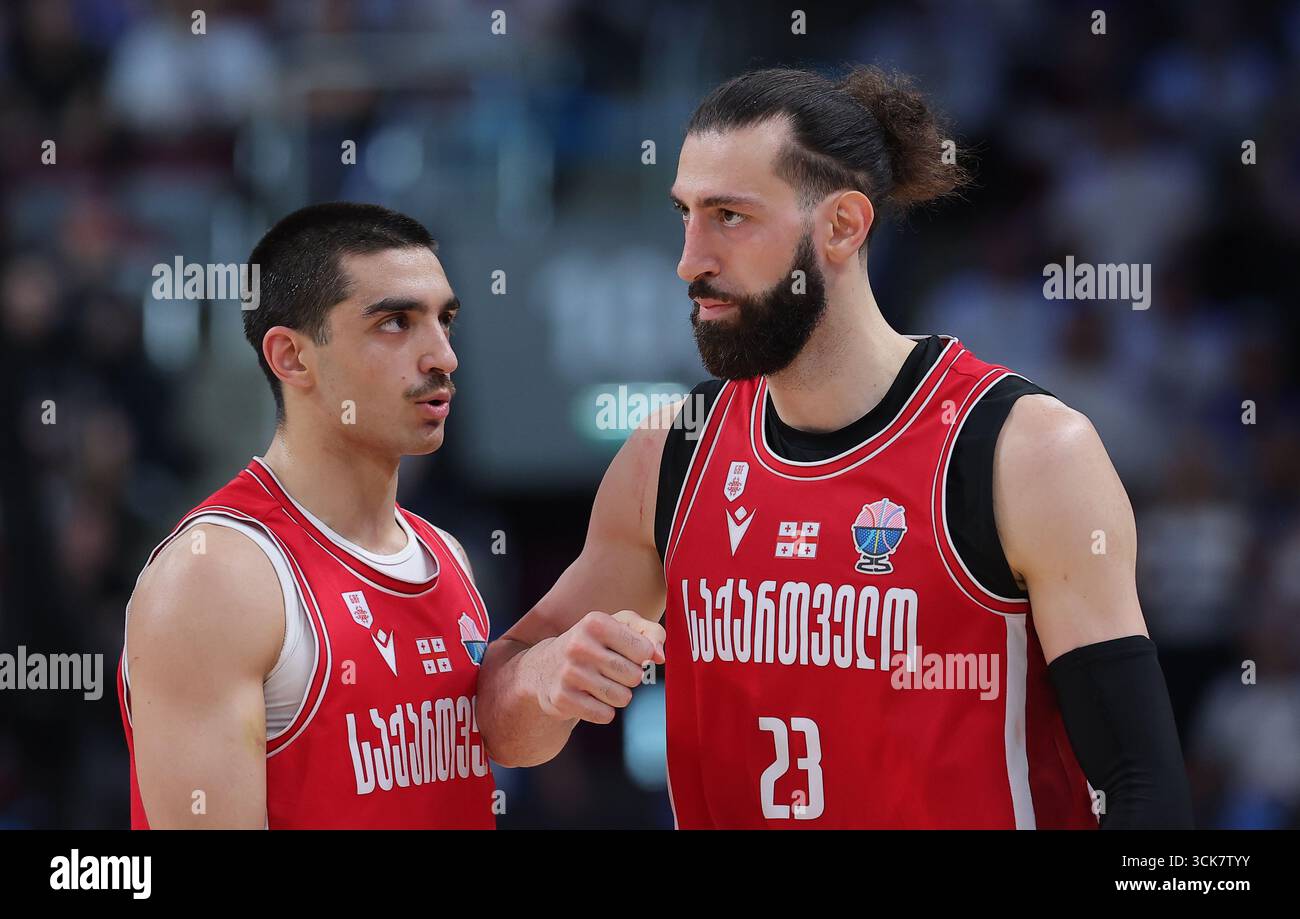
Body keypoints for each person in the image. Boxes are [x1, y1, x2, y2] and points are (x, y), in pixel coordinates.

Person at [477, 67, 1194, 829]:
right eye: (685, 214)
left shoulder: (1025, 452)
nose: (690, 260)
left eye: (729, 216)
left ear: (844, 226)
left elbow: (1143, 788)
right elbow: (498, 720)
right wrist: (544, 679)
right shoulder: (671, 454)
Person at [118, 203, 495, 828]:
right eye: (397, 323)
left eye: (444, 320)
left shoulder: (446, 556)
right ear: (292, 358)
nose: (443, 358)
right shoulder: (218, 578)